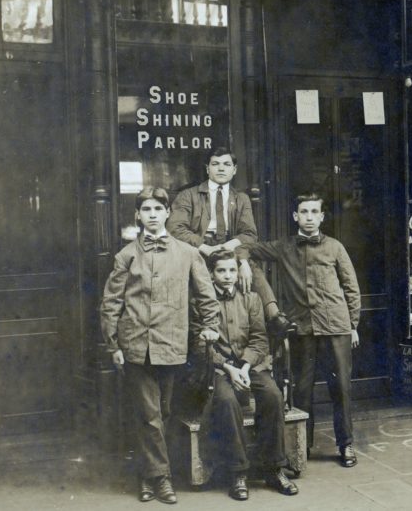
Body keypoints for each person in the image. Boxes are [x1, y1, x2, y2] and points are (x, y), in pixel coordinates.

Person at [101, 187, 221, 504]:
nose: (152, 215)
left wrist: (210, 326)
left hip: (171, 344)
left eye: (158, 209)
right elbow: (111, 303)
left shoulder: (188, 254)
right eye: (146, 210)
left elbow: (207, 297)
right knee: (150, 414)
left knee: (163, 412)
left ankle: (145, 475)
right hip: (136, 345)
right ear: (138, 216)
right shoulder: (126, 256)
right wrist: (112, 343)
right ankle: (161, 479)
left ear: (167, 213)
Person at [239, 193, 361, 467]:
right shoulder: (283, 247)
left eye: (313, 212)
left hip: (335, 327)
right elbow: (246, 249)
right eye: (303, 212)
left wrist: (353, 325)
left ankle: (346, 445)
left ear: (321, 216)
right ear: (295, 216)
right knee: (301, 390)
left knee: (340, 388)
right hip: (302, 328)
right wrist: (244, 261)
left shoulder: (335, 247)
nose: (308, 217)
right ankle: (301, 448)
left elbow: (351, 288)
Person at [199, 250, 299, 501]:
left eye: (232, 270)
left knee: (273, 395)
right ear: (211, 274)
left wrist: (243, 367)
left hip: (249, 366)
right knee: (226, 400)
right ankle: (238, 472)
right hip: (219, 369)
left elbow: (258, 340)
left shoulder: (252, 298)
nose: (227, 276)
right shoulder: (203, 302)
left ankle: (273, 468)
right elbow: (200, 345)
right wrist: (228, 369)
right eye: (221, 271)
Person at [168, 147, 295, 338]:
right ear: (207, 168)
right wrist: (204, 247)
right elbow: (176, 228)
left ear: (234, 170)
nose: (221, 169)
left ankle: (275, 316)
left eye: (226, 164)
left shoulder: (241, 198)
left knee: (251, 268)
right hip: (198, 249)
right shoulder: (189, 195)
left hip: (229, 246)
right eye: (215, 164)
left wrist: (239, 257)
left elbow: (249, 234)